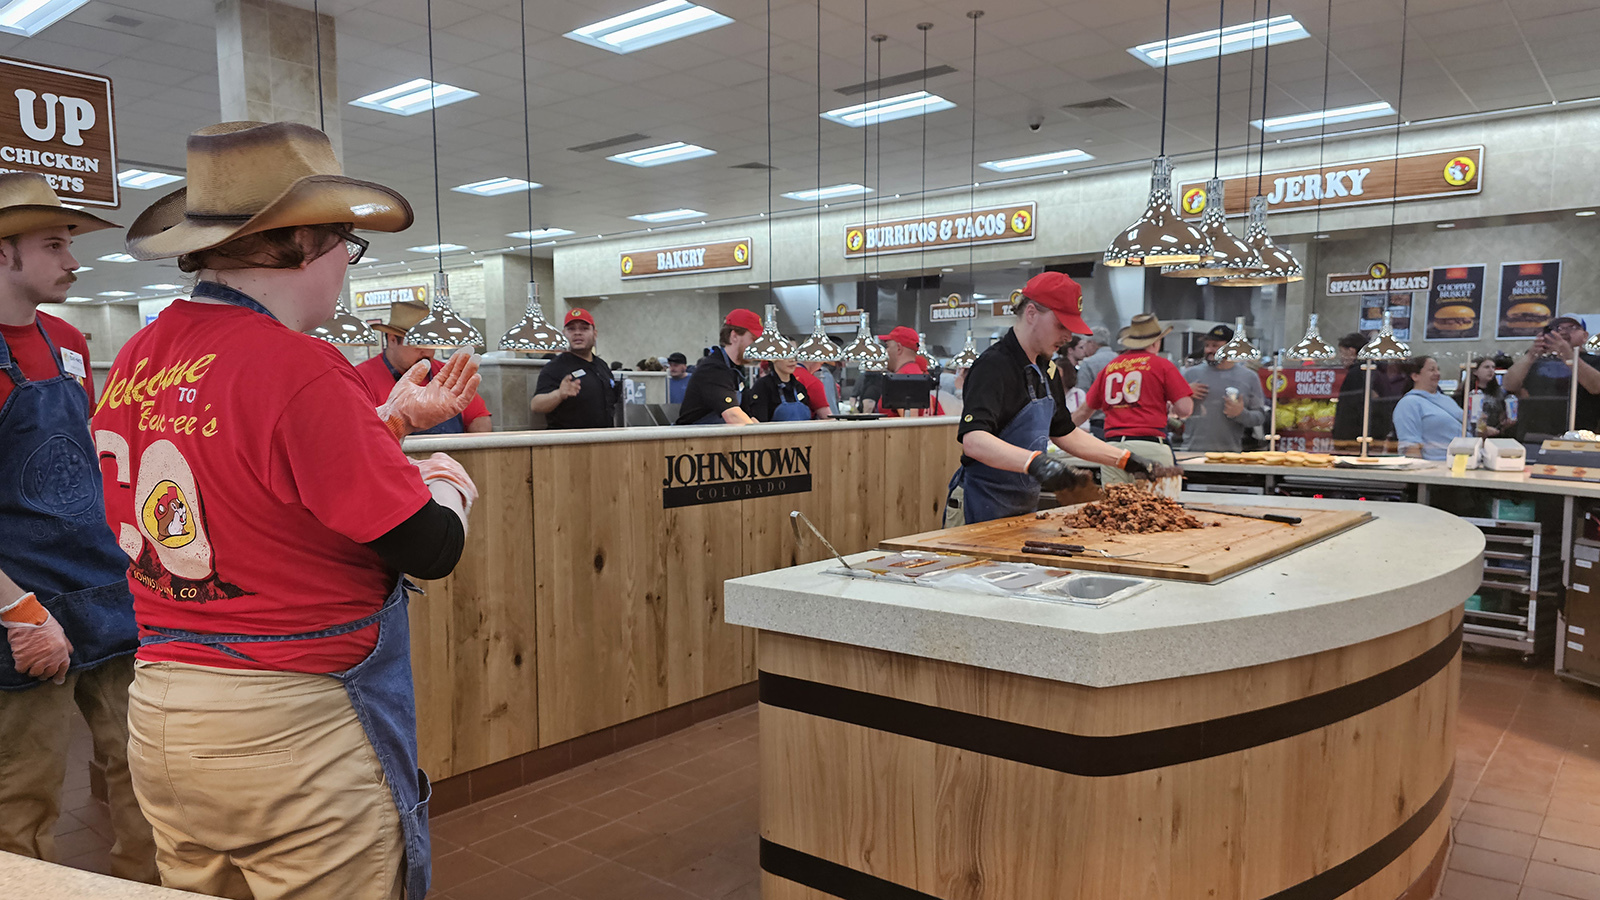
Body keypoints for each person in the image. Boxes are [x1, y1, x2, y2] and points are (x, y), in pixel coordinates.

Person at [94, 121, 481, 900]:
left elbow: (243, 479)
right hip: (294, 725)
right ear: (304, 241)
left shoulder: (140, 355)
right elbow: (430, 546)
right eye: (347, 245)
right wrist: (450, 483)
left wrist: (385, 424)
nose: (345, 266)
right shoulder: (301, 366)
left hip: (163, 705)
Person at [0, 173, 158, 883]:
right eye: (53, 246)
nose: (72, 261)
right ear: (2, 252)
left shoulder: (66, 342)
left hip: (105, 591)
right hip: (23, 606)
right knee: (23, 796)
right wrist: (18, 611)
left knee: (144, 771)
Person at [948, 272, 1154, 526]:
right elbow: (974, 441)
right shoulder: (993, 365)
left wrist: (1124, 459)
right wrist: (1036, 463)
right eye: (1061, 325)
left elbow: (1064, 432)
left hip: (1021, 509)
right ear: (1032, 313)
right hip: (978, 505)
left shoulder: (1048, 370)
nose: (1068, 337)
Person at [1074, 313, 1194, 485]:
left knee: (1116, 501)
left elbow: (1083, 412)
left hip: (1113, 450)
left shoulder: (1110, 368)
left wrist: (1053, 436)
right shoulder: (1162, 365)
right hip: (1151, 446)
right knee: (1157, 502)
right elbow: (1185, 409)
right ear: (1155, 342)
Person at [354, 300, 491, 434]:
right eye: (418, 344)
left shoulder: (449, 374)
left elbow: (479, 418)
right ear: (392, 340)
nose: (427, 353)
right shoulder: (360, 378)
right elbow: (359, 433)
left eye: (431, 344)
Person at [1503, 316, 1600, 442]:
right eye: (1557, 329)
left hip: (1579, 437)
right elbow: (1509, 384)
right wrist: (1532, 354)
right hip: (1533, 435)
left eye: (1571, 328)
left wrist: (1568, 355)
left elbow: (1596, 386)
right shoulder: (1535, 360)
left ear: (1584, 336)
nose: (1563, 332)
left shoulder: (1594, 361)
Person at [1181, 323, 1266, 452]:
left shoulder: (1249, 377)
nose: (1209, 350)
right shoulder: (1190, 374)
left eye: (1215, 346)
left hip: (1230, 455)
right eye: (1207, 345)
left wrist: (1240, 414)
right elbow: (1172, 411)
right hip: (1192, 452)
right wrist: (1183, 394)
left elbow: (1259, 417)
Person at [530, 308, 620, 430]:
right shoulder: (555, 367)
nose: (577, 333)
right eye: (571, 329)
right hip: (568, 439)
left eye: (584, 328)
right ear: (564, 334)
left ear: (595, 334)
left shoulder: (602, 365)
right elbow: (536, 405)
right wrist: (559, 394)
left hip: (602, 438)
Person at [675, 309, 761, 425]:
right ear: (734, 336)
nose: (757, 347)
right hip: (695, 435)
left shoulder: (735, 370)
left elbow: (747, 415)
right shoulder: (713, 369)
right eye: (754, 339)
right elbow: (733, 415)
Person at [1331, 331, 1404, 451]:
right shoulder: (1378, 372)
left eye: (1342, 352)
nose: (1341, 357)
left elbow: (1352, 408)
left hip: (1354, 439)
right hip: (1374, 437)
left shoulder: (1359, 373)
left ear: (1351, 351)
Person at [1393, 356, 1463, 460]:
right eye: (1431, 370)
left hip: (1466, 461)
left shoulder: (1447, 400)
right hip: (1439, 464)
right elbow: (1410, 446)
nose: (1437, 373)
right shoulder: (1408, 403)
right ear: (1415, 376)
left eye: (1438, 369)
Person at [877, 325, 943, 418]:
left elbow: (910, 420)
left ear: (899, 348)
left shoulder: (902, 380)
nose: (886, 351)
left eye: (887, 346)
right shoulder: (919, 374)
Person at [1451, 356, 1515, 438]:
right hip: (1471, 436)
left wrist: (1505, 423)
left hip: (1495, 436)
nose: (1491, 370)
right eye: (1486, 367)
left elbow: (1503, 417)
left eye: (1493, 367)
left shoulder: (1501, 393)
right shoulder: (1463, 394)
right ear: (1475, 371)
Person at [1073, 324, 1116, 437]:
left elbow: (1083, 394)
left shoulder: (1088, 364)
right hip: (1119, 422)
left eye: (1085, 344)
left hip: (1097, 424)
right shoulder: (1121, 360)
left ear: (1092, 343)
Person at [743, 358, 813, 422]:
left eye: (794, 356)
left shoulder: (799, 387)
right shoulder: (763, 386)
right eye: (786, 356)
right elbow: (759, 421)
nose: (792, 360)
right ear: (773, 359)